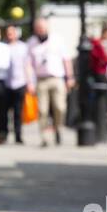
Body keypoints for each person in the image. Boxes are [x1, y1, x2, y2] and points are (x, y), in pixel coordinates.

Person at [27, 17, 74, 146]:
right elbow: (28, 64)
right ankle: (44, 137)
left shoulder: (57, 40)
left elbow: (66, 59)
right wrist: (30, 82)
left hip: (57, 78)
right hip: (41, 80)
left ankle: (58, 129)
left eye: (43, 28)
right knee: (42, 110)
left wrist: (70, 77)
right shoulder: (31, 42)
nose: (41, 30)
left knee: (60, 107)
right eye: (38, 28)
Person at [0, 23, 35, 145]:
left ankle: (18, 135)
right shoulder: (2, 47)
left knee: (18, 111)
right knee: (2, 111)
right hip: (3, 83)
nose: (10, 35)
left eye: (12, 33)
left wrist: (30, 82)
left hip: (20, 82)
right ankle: (2, 134)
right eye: (8, 33)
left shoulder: (23, 47)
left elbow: (28, 65)